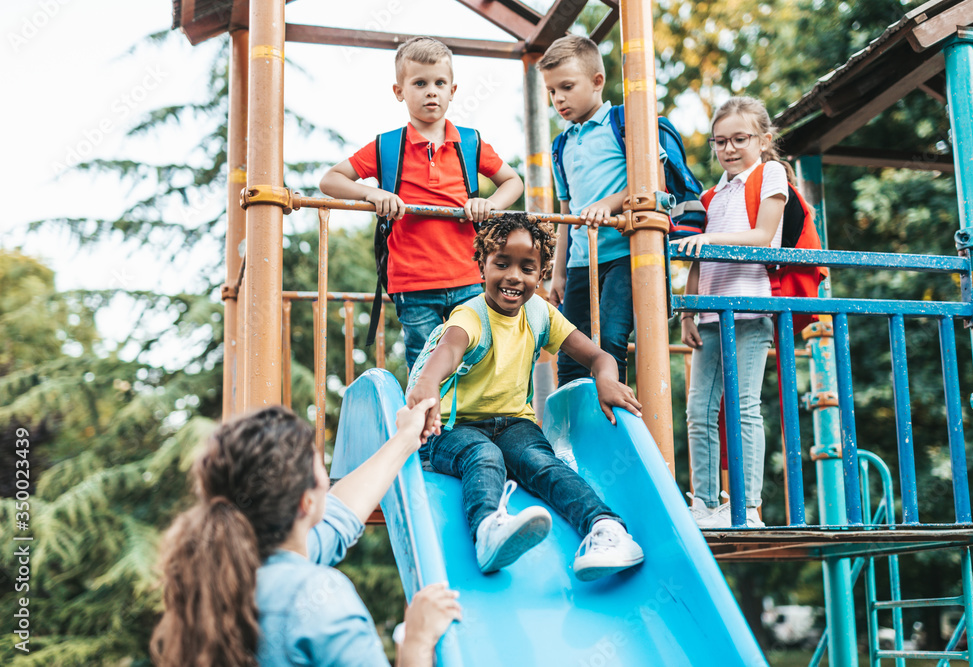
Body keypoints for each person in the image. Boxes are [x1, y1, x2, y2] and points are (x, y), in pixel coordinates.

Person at [406, 212, 645, 581]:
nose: (514, 276)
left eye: (527, 267)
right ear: (482, 266)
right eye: (501, 263)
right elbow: (450, 350)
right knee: (482, 455)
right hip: (454, 428)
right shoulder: (471, 315)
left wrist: (607, 377)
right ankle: (487, 530)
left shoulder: (539, 314)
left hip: (514, 424)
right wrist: (427, 384)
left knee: (541, 462)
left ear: (542, 273)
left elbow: (598, 356)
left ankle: (606, 528)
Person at [149, 401, 461, 667]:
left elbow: (341, 514)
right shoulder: (318, 594)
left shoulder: (221, 575)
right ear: (307, 503)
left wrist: (405, 439)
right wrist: (416, 645)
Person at [319, 36, 524, 369]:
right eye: (420, 83)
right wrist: (373, 193)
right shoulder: (387, 146)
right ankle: (428, 420)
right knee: (424, 364)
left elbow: (512, 181)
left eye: (440, 83)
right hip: (413, 284)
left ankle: (468, 422)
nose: (432, 91)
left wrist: (489, 203)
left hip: (469, 278)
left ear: (452, 91)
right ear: (399, 91)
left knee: (476, 360)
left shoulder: (470, 142)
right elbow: (330, 180)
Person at [676, 96, 792, 529]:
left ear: (763, 139)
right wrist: (687, 313)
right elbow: (696, 260)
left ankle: (747, 506)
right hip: (710, 314)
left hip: (750, 308)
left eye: (739, 139)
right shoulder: (712, 194)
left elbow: (765, 236)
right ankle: (704, 504)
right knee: (698, 412)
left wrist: (709, 240)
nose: (728, 149)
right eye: (719, 142)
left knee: (743, 408)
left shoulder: (770, 173)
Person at [538, 35, 647, 387]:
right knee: (569, 351)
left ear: (597, 81)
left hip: (622, 255)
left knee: (611, 340)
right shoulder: (562, 145)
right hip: (580, 262)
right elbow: (567, 211)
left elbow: (649, 183)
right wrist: (558, 272)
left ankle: (613, 427)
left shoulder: (624, 122)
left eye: (567, 87)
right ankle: (574, 437)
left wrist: (609, 203)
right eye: (552, 91)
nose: (559, 99)